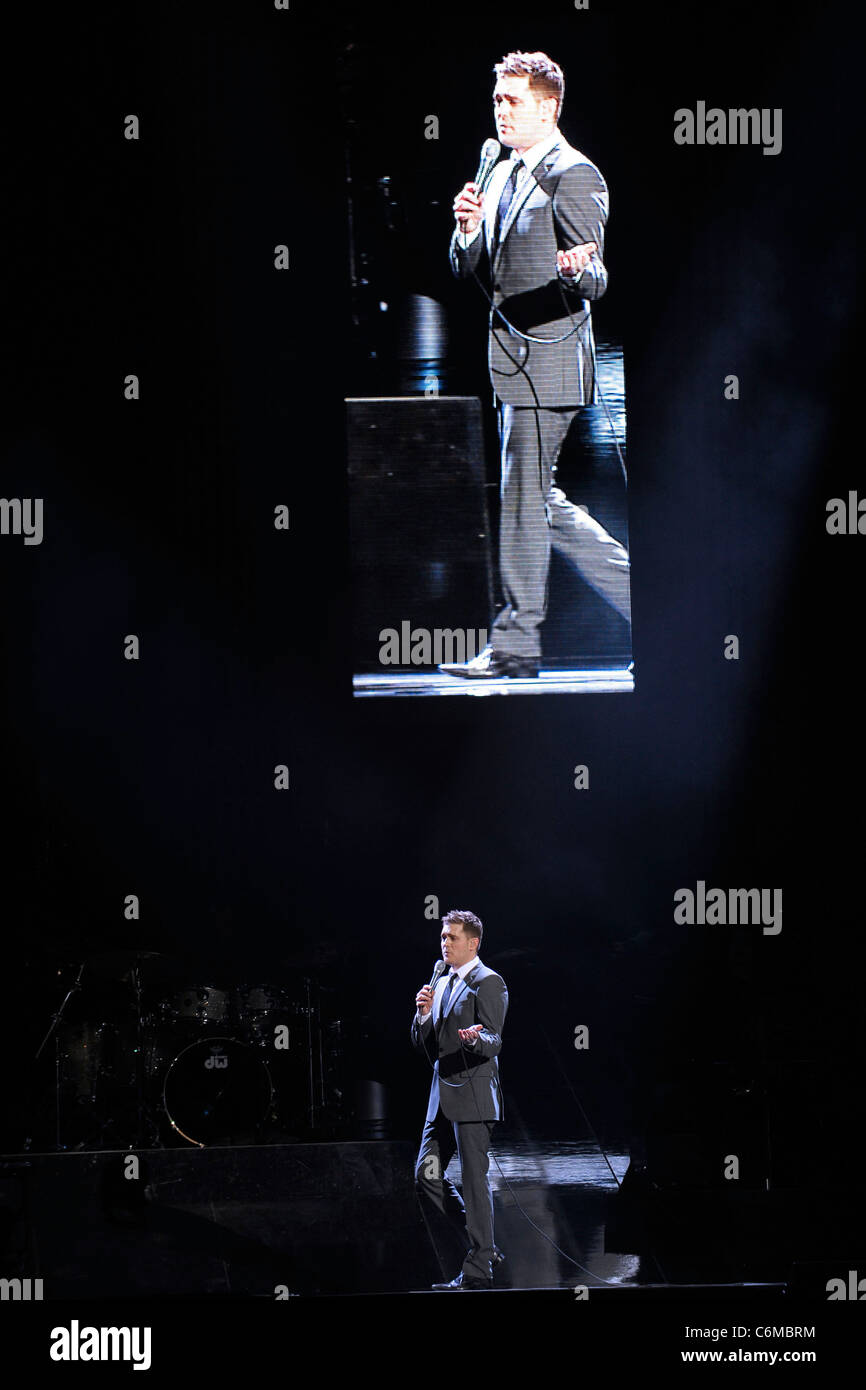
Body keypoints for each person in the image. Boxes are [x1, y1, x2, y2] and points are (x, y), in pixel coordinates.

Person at [440, 50, 631, 679]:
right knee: (539, 503)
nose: (500, 109)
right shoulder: (499, 172)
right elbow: (467, 268)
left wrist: (580, 269)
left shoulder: (574, 174)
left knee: (525, 500)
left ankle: (517, 644)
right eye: (496, 98)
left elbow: (597, 277)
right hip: (509, 360)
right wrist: (466, 231)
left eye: (512, 100)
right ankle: (638, 599)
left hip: (549, 358)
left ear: (548, 107)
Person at [412, 909, 508, 1289]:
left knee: (473, 1180)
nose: (445, 943)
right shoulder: (441, 981)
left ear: (473, 942)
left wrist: (475, 1038)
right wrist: (422, 1016)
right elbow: (424, 1046)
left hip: (473, 1095)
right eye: (442, 937)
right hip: (441, 1097)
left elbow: (495, 1040)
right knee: (425, 1175)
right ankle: (483, 1244)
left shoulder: (489, 982)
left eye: (452, 937)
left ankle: (479, 1267)